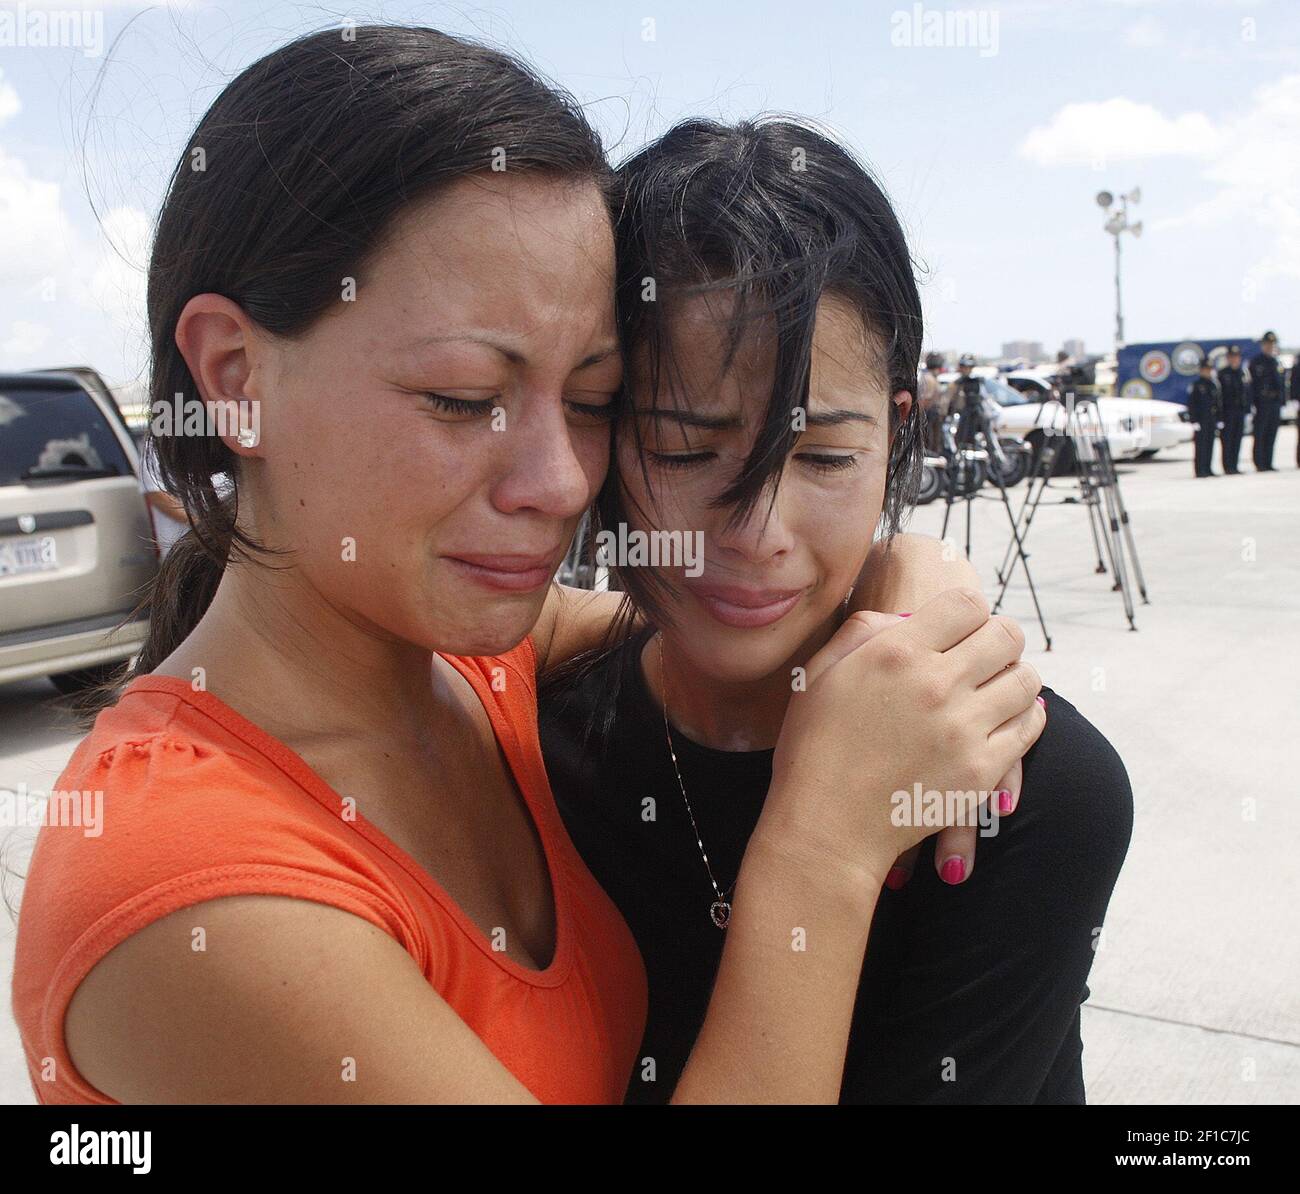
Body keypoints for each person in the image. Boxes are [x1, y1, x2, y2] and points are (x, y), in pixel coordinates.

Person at [11, 27, 1041, 1106]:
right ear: (234, 375)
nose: (557, 480)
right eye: (462, 397)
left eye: (592, 400)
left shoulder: (461, 661)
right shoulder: (190, 885)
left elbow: (722, 608)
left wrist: (912, 587)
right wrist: (820, 853)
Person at [538, 118, 1132, 1105]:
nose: (758, 532)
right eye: (684, 451)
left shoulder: (1017, 788)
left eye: (821, 458)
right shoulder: (523, 741)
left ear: (896, 437)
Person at [1248, 330, 1284, 471]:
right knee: (1260, 434)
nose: (1270, 347)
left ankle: (1268, 462)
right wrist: (1252, 404)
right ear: (1262, 345)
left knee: (1271, 434)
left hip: (1274, 404)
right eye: (1267, 344)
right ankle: (1259, 463)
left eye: (1272, 344)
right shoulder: (1256, 362)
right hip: (1261, 404)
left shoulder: (1275, 362)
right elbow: (1251, 386)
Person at [1187, 356, 1221, 478]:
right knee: (1200, 446)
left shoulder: (1213, 384)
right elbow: (1192, 404)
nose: (1208, 371)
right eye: (1205, 369)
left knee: (1210, 445)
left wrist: (1219, 419)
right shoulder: (1197, 385)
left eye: (1209, 369)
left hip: (1211, 419)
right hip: (1200, 420)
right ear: (1201, 370)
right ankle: (1200, 470)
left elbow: (1217, 403)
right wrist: (1193, 420)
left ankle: (1208, 468)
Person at [1217, 345, 1247, 474]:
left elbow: (1247, 392)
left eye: (1236, 357)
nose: (1234, 359)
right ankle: (1227, 466)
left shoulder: (1242, 373)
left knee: (1237, 439)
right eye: (1232, 357)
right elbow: (1219, 396)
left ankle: (1234, 465)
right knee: (1227, 440)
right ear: (1228, 358)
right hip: (1227, 412)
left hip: (1240, 411)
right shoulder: (1223, 374)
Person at [917, 351, 946, 452]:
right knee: (930, 445)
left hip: (930, 416)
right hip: (929, 416)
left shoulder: (928, 377)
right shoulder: (929, 379)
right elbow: (925, 400)